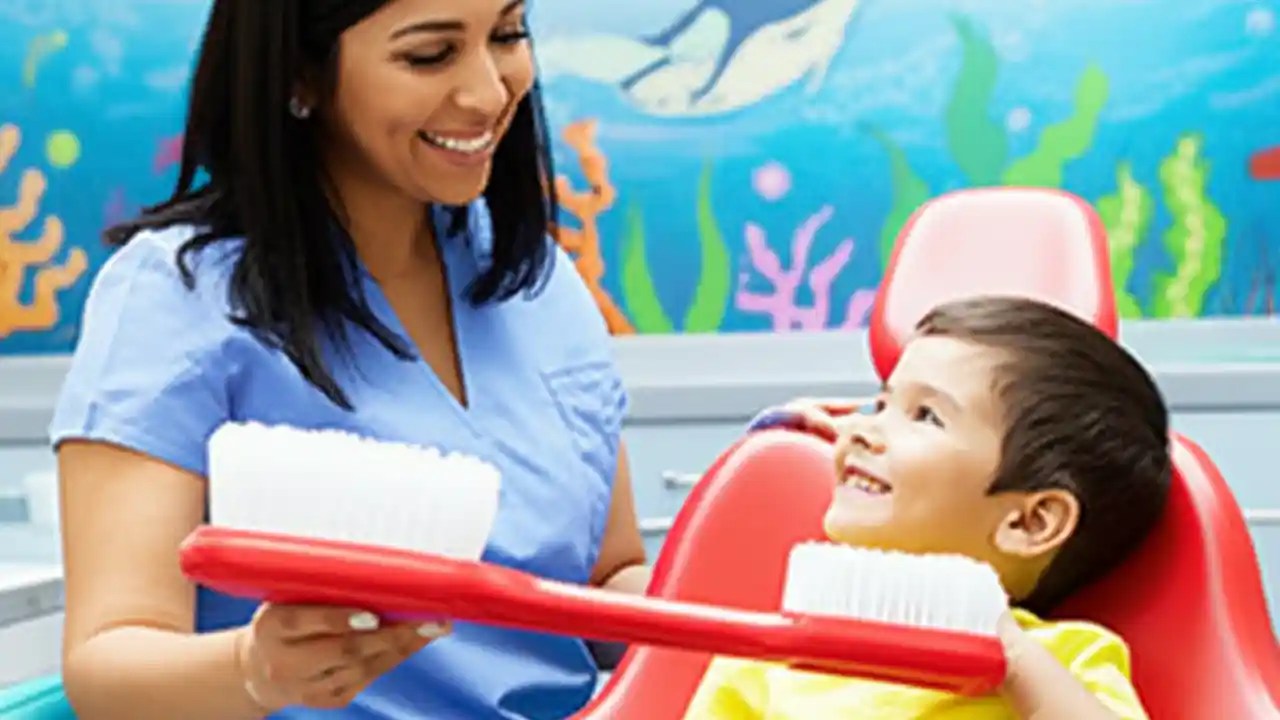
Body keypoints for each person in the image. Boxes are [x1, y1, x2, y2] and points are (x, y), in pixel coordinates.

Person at [49, 1, 649, 718]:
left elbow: (610, 580)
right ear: (301, 76)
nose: (490, 92)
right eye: (430, 55)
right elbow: (108, 667)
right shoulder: (174, 298)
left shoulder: (538, 282)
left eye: (507, 35)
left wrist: (767, 579)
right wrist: (254, 669)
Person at [683, 296, 1171, 719]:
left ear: (1029, 521)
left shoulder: (1063, 661)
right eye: (881, 406)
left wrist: (1012, 660)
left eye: (926, 416)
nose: (859, 430)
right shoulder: (771, 653)